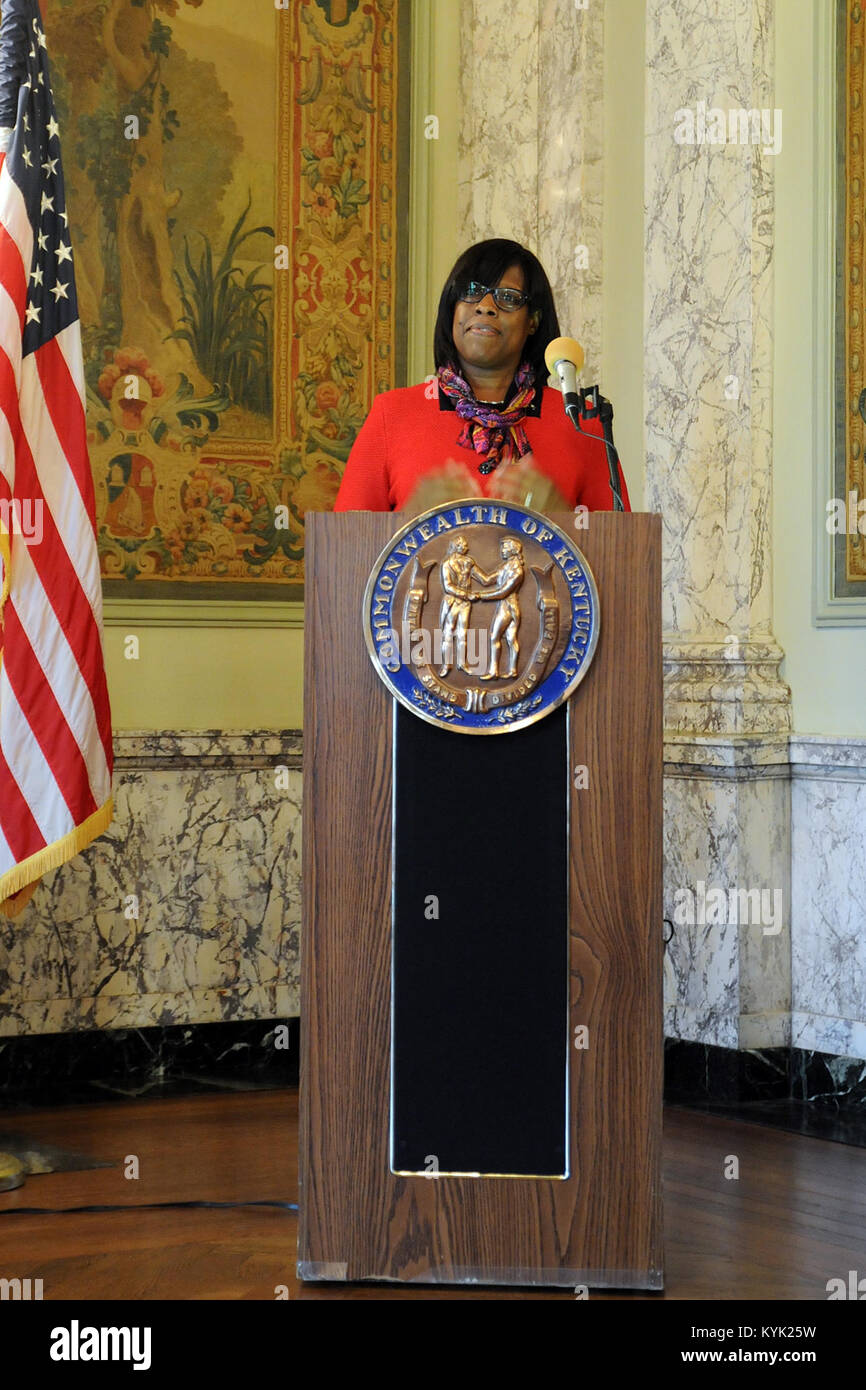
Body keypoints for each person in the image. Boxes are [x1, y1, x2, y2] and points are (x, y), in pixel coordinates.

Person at [333, 237, 630, 513]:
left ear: (533, 321)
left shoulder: (582, 424)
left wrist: (562, 519)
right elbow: (346, 545)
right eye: (471, 292)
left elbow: (618, 549)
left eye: (508, 297)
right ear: (452, 308)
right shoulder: (392, 415)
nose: (485, 307)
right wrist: (410, 519)